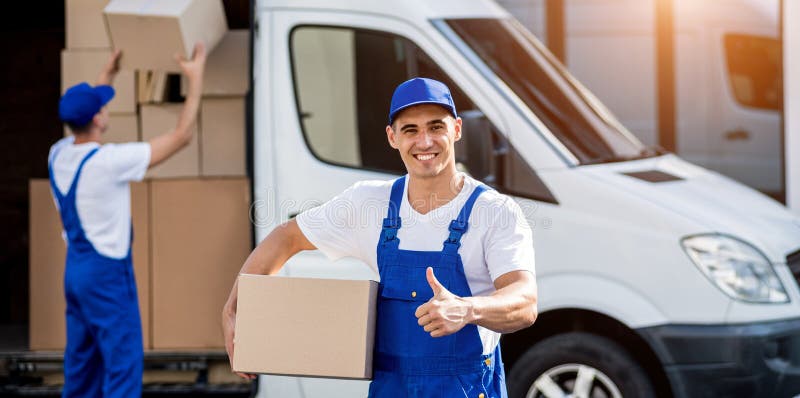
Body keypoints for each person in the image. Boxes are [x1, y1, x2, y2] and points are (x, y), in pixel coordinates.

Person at [221, 77, 537, 397]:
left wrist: (467, 309)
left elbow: (524, 301)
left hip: (465, 388)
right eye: (410, 130)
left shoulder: (494, 211)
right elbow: (285, 238)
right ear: (392, 137)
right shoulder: (368, 204)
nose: (424, 141)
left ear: (456, 129)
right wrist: (235, 310)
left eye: (436, 127)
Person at [49, 43, 206, 397]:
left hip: (75, 272)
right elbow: (181, 136)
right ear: (99, 118)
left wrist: (109, 72)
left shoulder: (57, 154)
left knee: (81, 368)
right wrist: (194, 79)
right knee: (122, 367)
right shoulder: (109, 163)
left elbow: (84, 114)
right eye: (103, 106)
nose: (106, 109)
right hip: (107, 278)